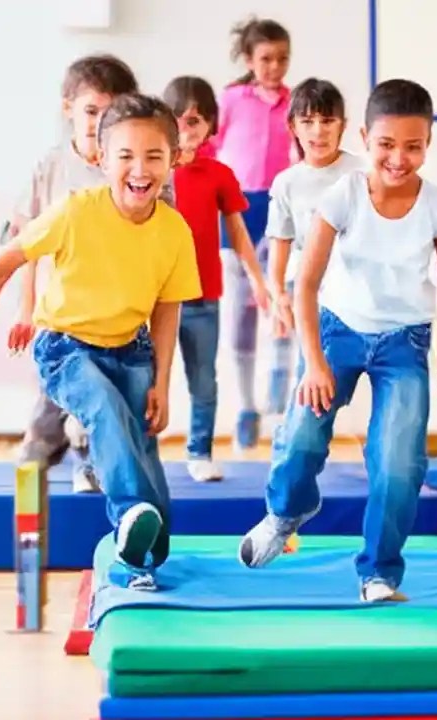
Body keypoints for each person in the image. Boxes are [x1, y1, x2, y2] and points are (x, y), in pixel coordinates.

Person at [0, 94, 201, 590]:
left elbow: (167, 308)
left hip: (130, 351)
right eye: (125, 156)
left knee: (143, 447)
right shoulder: (76, 210)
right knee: (105, 412)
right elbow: (9, 257)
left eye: (154, 156)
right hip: (66, 347)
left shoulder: (174, 231)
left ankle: (146, 557)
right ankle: (130, 514)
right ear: (99, 159)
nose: (140, 169)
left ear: (175, 160)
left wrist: (162, 384)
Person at [238, 79, 437, 603]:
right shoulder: (341, 196)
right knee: (301, 435)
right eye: (386, 145)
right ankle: (285, 512)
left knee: (399, 460)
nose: (399, 158)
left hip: (405, 342)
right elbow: (308, 283)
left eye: (413, 147)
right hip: (337, 328)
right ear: (366, 137)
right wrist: (314, 362)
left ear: (428, 143)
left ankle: (379, 571)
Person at [0, 54, 151, 493]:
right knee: (53, 398)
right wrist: (18, 305)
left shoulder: (132, 170)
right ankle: (40, 454)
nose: (98, 124)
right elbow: (22, 241)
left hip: (115, 314)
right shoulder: (52, 167)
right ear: (68, 109)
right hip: (60, 312)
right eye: (91, 111)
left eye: (110, 114)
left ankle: (90, 461)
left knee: (107, 397)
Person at [163, 75, 271, 482]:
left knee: (204, 380)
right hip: (157, 300)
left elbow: (239, 231)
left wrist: (258, 280)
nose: (186, 131)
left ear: (210, 124)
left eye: (195, 121)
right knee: (145, 380)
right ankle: (139, 448)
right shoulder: (154, 172)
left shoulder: (218, 174)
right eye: (178, 121)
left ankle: (199, 450)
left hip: (203, 296)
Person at [211, 16, 294, 448]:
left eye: (282, 59)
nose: (275, 67)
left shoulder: (294, 102)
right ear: (249, 59)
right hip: (238, 209)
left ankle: (278, 399)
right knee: (241, 310)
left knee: (283, 299)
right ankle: (245, 405)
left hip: (281, 209)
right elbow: (208, 145)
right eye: (266, 59)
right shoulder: (230, 99)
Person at [263, 77, 365, 410]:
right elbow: (281, 239)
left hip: (351, 287)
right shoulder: (287, 182)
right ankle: (286, 425)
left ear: (343, 126)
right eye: (308, 121)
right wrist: (277, 291)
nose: (318, 131)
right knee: (301, 365)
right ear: (293, 125)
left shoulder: (361, 172)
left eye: (327, 120)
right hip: (304, 287)